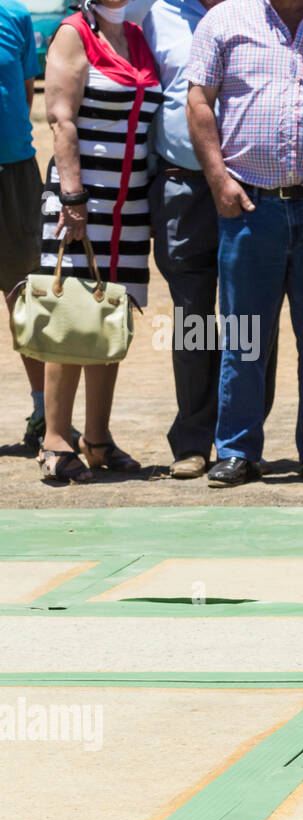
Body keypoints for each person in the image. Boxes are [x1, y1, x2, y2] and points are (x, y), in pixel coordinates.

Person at [187, 0, 303, 488]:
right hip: (251, 207)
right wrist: (217, 179)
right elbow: (199, 101)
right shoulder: (226, 19)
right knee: (245, 337)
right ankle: (237, 450)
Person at [145, 0, 278, 480]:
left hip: (252, 186)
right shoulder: (156, 15)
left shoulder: (262, 12)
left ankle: (239, 440)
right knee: (192, 315)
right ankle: (193, 440)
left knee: (250, 315)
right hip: (183, 185)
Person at [37, 0, 161, 484]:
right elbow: (60, 118)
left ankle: (98, 439)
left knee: (111, 317)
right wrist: (72, 196)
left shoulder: (135, 33)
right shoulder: (73, 32)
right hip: (80, 201)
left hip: (129, 206)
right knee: (69, 320)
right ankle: (54, 440)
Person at [0, 0, 44, 452]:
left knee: (24, 295)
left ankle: (44, 412)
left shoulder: (14, 15)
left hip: (14, 172)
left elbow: (26, 89)